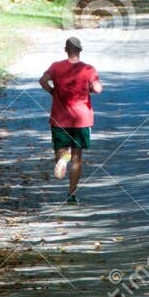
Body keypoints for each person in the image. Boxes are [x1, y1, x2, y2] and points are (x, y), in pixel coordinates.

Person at [40, 36, 103, 204]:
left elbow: (43, 81)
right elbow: (98, 89)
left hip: (59, 118)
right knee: (77, 158)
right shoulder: (88, 69)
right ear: (80, 51)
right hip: (81, 119)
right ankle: (72, 194)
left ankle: (62, 159)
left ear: (66, 50)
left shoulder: (56, 67)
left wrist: (52, 91)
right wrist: (90, 87)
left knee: (62, 154)